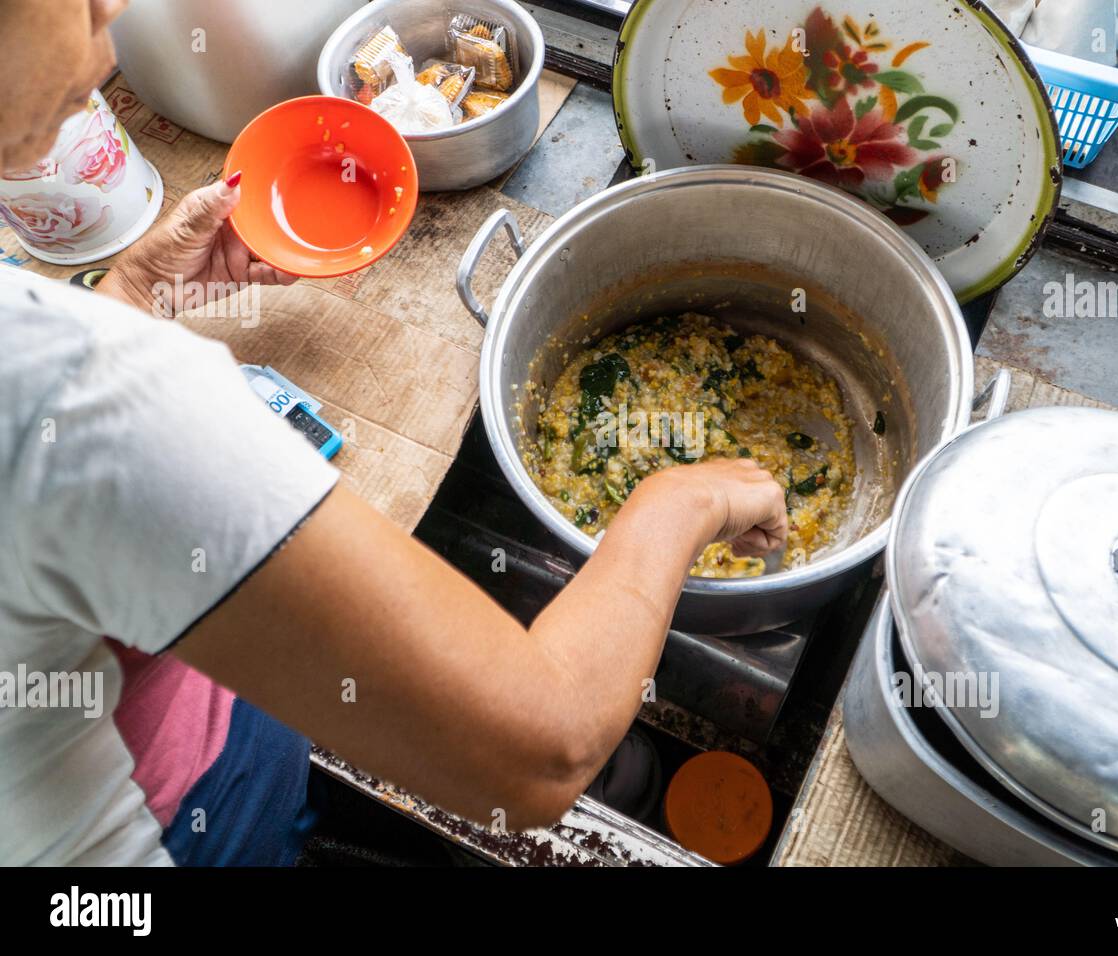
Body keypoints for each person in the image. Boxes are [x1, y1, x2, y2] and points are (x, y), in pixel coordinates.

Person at [0, 0, 788, 866]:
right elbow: (538, 753)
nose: (109, 3)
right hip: (182, 828)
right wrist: (684, 495)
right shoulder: (84, 395)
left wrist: (136, 300)